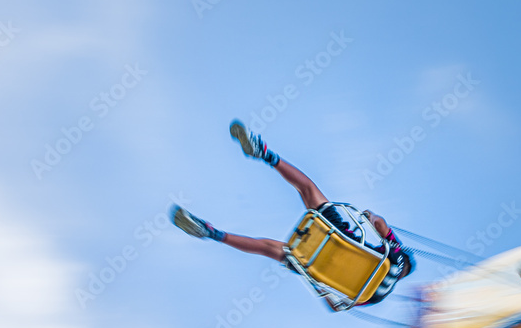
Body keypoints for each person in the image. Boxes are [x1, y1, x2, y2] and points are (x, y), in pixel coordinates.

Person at [171, 121, 414, 306]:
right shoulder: (378, 297)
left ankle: (264, 152)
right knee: (269, 248)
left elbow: (381, 225)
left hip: (340, 239)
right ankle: (210, 233)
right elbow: (337, 303)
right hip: (317, 267)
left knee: (308, 189)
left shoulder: (399, 258)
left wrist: (371, 219)